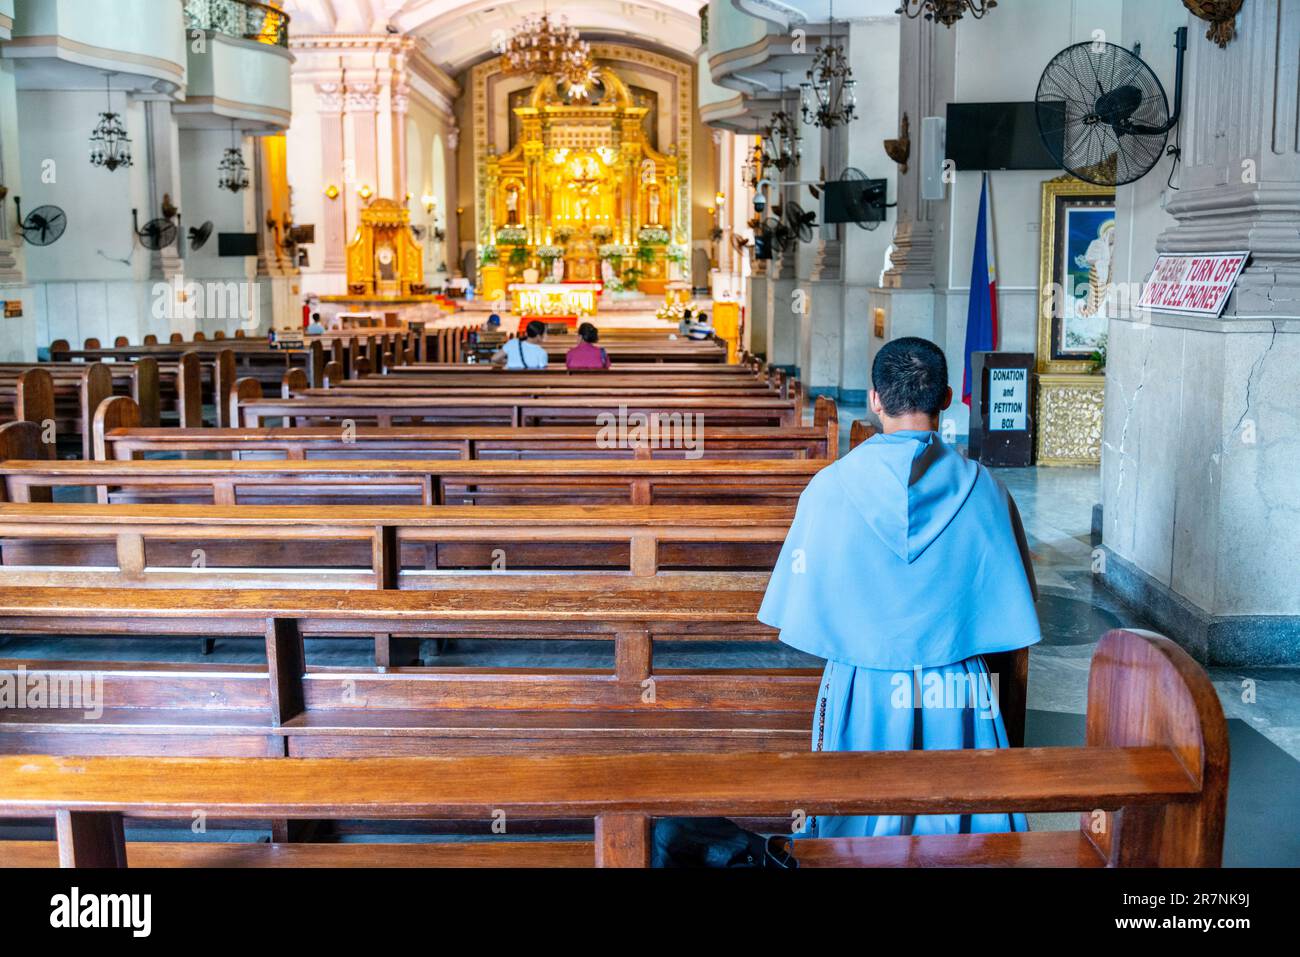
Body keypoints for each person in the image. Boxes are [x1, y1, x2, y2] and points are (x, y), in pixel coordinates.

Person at [758, 336, 1040, 839]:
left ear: (874, 399)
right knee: (959, 835)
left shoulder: (829, 488)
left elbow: (797, 601)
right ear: (947, 397)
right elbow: (1016, 597)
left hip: (861, 691)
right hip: (958, 692)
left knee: (853, 827)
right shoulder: (987, 491)